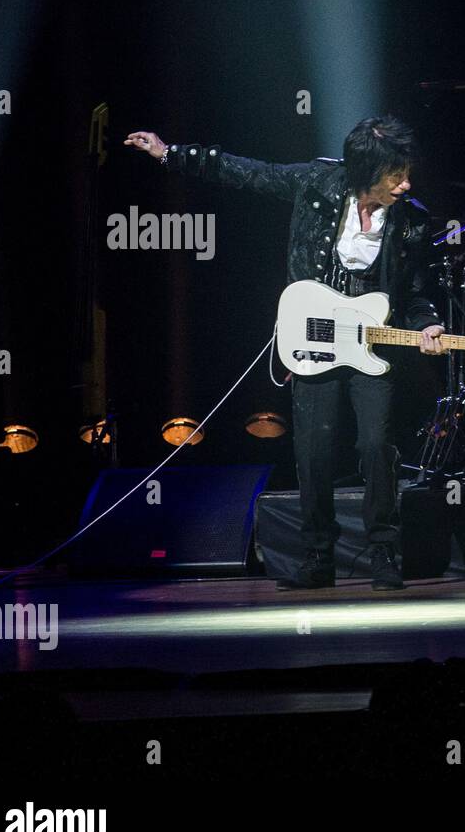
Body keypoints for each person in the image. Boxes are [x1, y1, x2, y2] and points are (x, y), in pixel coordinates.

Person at [125, 115, 448, 591]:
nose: (405, 184)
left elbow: (416, 288)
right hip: (314, 335)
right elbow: (249, 172)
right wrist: (170, 153)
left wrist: (426, 324)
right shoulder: (317, 182)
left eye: (407, 172)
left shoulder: (412, 220)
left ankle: (384, 552)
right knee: (313, 450)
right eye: (394, 174)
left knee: (375, 445)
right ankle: (318, 557)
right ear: (365, 170)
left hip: (372, 342)